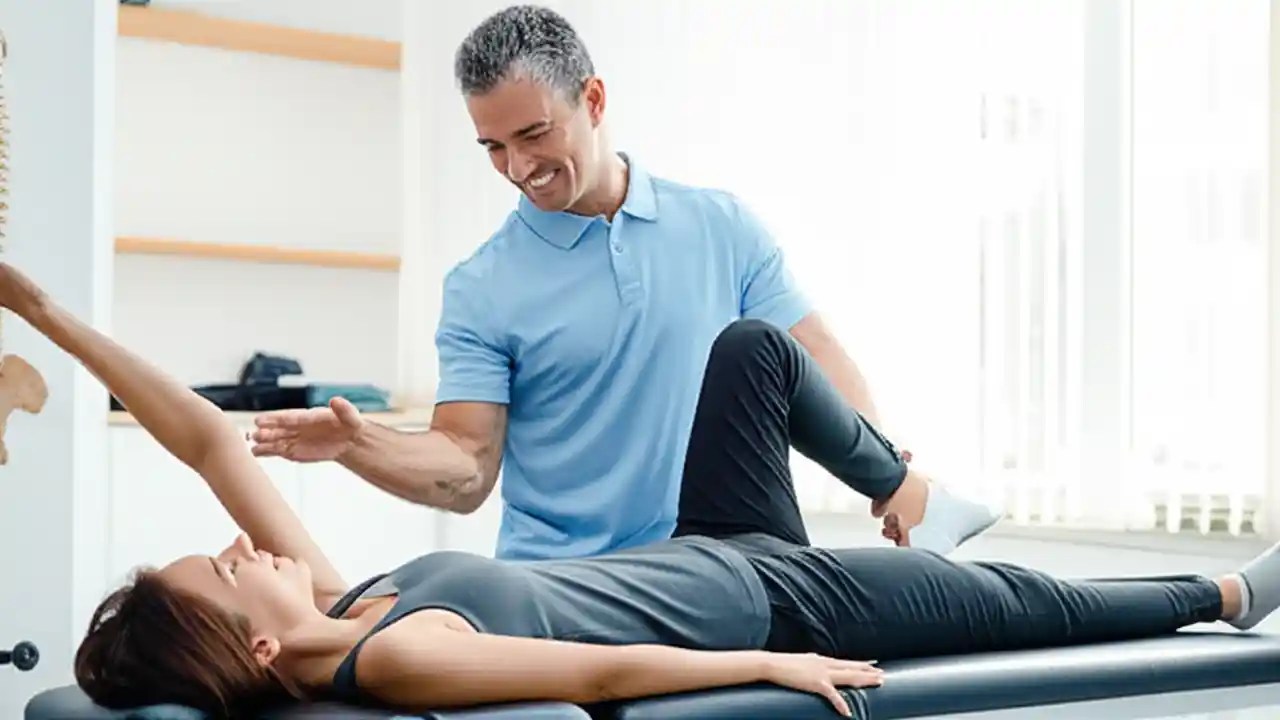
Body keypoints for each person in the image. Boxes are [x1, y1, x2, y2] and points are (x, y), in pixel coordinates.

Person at [1, 263, 1271, 720]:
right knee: (1009, 601)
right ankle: (1224, 587)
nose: (236, 543)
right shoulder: (382, 664)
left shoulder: (344, 606)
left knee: (751, 349)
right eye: (222, 571)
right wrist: (774, 668)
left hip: (708, 540)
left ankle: (904, 486)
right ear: (256, 642)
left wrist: (46, 311)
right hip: (782, 602)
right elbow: (600, 676)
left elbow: (213, 445)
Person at [249, 4, 999, 562]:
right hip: (570, 583)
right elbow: (467, 468)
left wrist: (883, 470)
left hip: (712, 563)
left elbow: (814, 359)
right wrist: (362, 443)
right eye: (493, 147)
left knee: (756, 353)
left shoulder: (719, 225)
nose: (517, 169)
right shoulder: (482, 286)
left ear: (594, 102)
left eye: (534, 135)